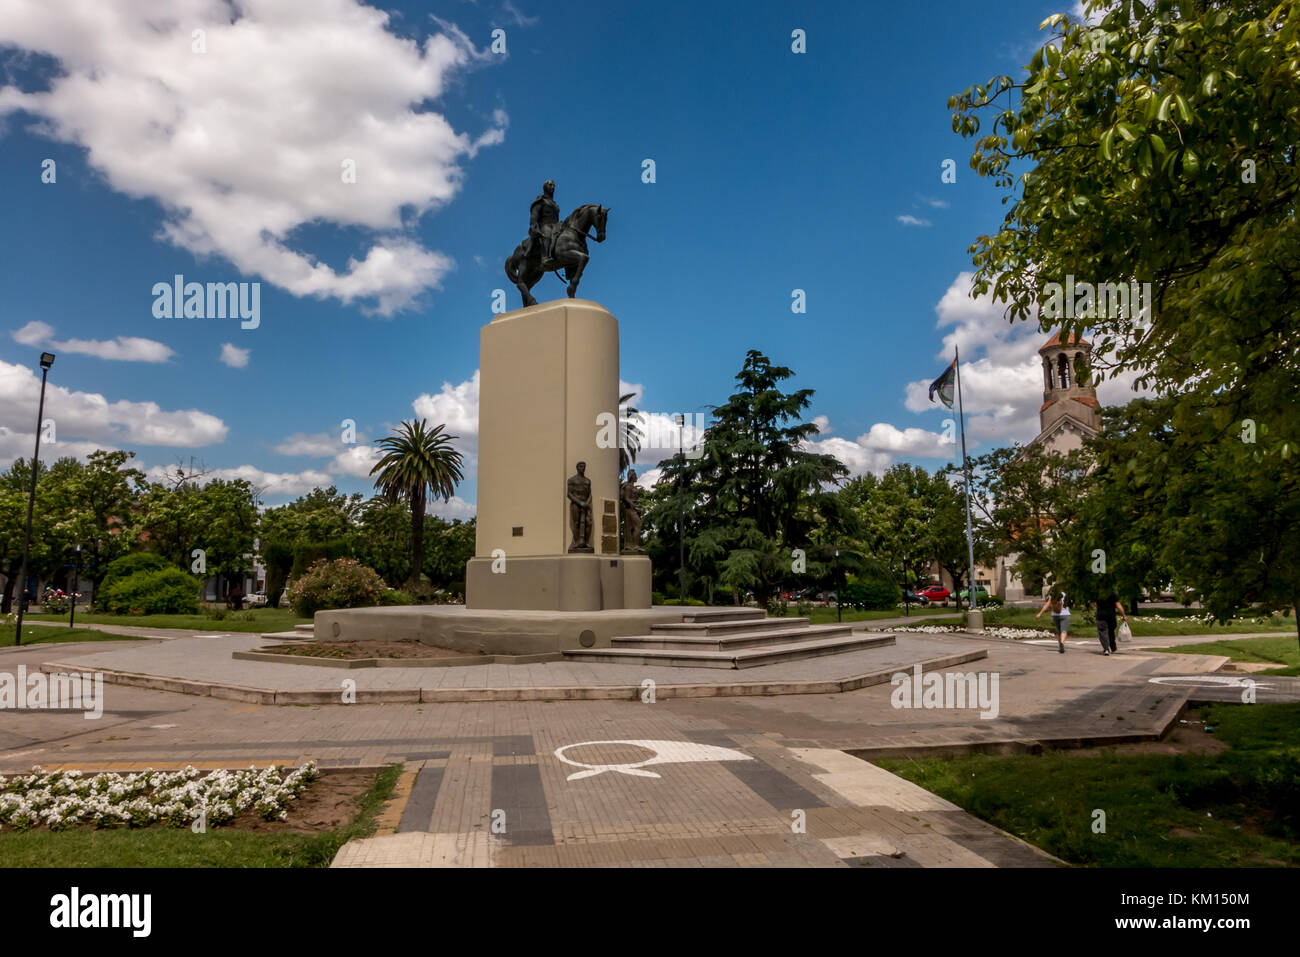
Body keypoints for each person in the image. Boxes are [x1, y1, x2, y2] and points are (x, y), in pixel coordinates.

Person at [1092, 589, 1129, 656]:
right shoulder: (1113, 593)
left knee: (1102, 632)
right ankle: (1113, 647)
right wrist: (1123, 615)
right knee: (1111, 631)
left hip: (1101, 616)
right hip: (1111, 616)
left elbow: (1094, 604)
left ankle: (1106, 649)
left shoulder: (1097, 593)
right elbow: (1118, 605)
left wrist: (1100, 606)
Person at [1035, 589, 1071, 653]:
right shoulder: (1066, 595)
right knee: (1064, 630)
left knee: (1058, 631)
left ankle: (1060, 645)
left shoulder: (1053, 596)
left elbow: (1047, 605)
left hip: (1055, 615)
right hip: (1065, 614)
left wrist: (1040, 613)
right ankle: (1062, 643)